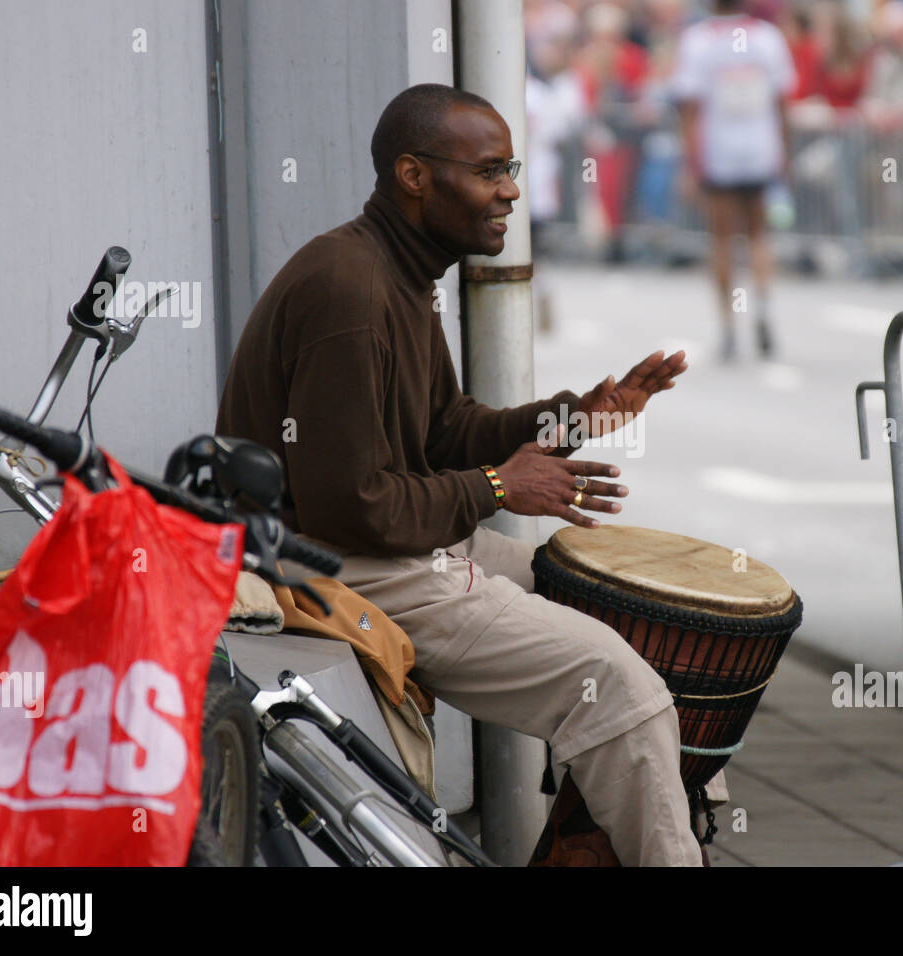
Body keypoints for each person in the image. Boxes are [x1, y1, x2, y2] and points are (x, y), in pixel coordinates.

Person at [216, 83, 701, 866]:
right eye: (488, 171)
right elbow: (352, 505)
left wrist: (574, 419)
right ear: (414, 175)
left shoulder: (398, 272)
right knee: (626, 689)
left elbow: (443, 431)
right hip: (327, 564)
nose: (511, 188)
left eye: (510, 167)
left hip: (388, 543)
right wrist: (503, 489)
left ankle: (587, 845)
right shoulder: (351, 288)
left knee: (611, 594)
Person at [672, 0, 796, 361]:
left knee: (722, 240)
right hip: (760, 147)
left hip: (719, 152)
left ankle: (728, 325)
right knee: (759, 234)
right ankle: (762, 308)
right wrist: (783, 151)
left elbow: (690, 109)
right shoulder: (769, 38)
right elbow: (782, 101)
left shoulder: (697, 41)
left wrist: (689, 163)